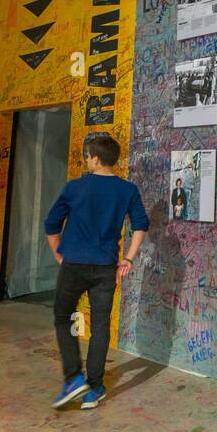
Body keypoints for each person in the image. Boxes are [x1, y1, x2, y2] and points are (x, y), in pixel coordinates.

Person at [45, 135, 149, 409]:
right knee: (100, 325)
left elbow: (51, 224)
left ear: (95, 158)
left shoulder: (74, 188)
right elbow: (141, 226)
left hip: (74, 264)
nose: (86, 160)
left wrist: (59, 254)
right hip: (106, 267)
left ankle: (73, 378)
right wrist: (127, 259)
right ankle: (95, 387)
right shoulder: (127, 190)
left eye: (87, 156)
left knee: (62, 317)